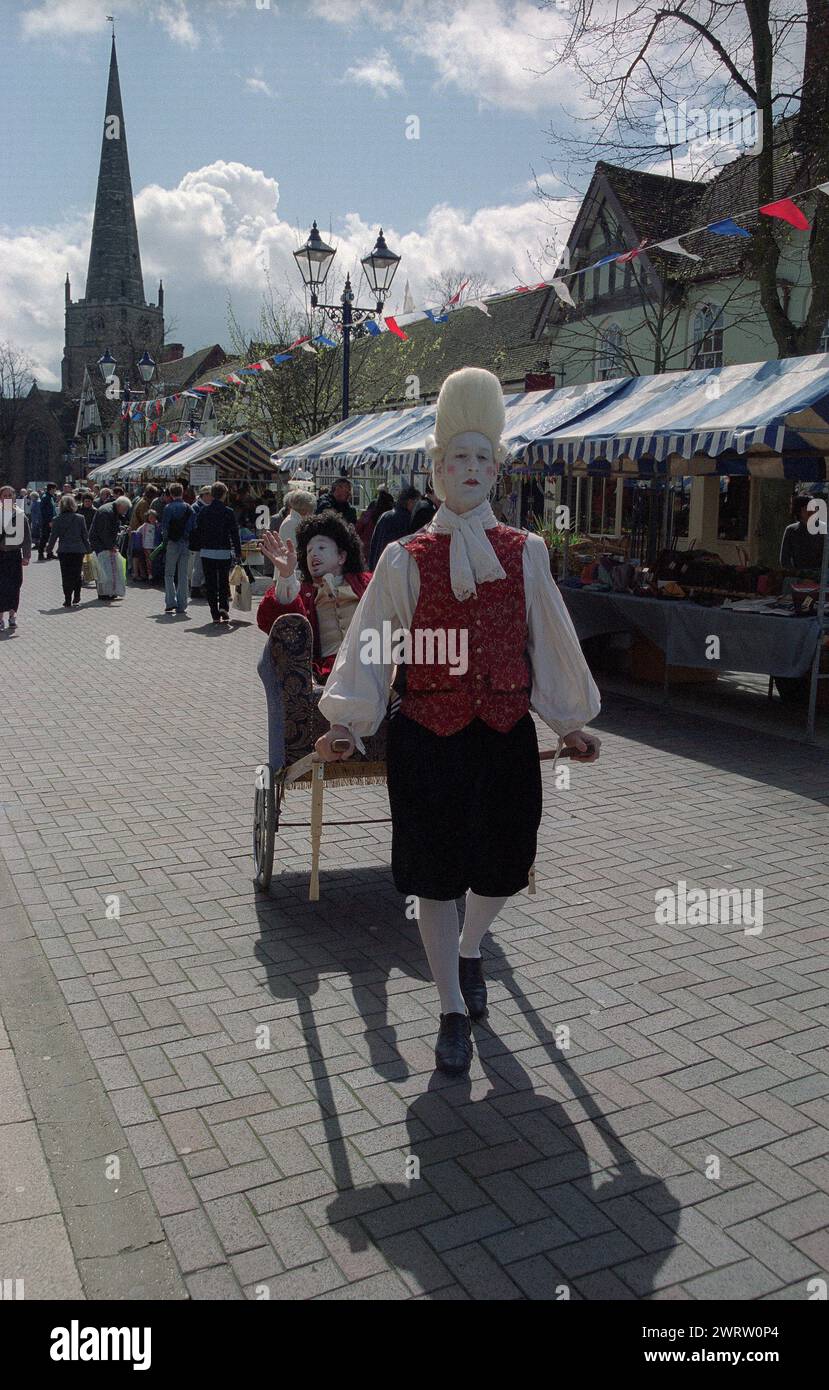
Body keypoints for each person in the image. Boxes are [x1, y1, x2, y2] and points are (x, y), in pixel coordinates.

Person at [315, 367, 602, 1077]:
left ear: (494, 470)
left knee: (504, 866)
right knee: (434, 878)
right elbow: (374, 644)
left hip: (504, 733)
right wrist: (349, 723)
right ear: (436, 470)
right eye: (457, 460)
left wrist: (567, 721)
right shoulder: (403, 557)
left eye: (482, 459)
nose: (470, 471)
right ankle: (449, 1008)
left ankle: (472, 948)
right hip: (429, 738)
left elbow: (548, 639)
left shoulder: (524, 552)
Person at [258, 512, 372, 682]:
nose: (313, 554)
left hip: (371, 664)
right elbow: (273, 622)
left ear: (342, 556)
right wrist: (286, 575)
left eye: (321, 548)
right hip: (329, 673)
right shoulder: (303, 592)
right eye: (309, 550)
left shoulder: (367, 583)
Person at [190, 481, 241, 623]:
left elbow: (197, 531)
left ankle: (214, 613)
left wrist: (197, 546)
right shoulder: (228, 512)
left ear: (212, 494)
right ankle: (224, 606)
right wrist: (237, 551)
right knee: (223, 580)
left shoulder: (203, 511)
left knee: (210, 583)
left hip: (206, 552)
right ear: (224, 495)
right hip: (223, 551)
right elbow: (234, 533)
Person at [45, 493, 90, 607]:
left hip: (64, 551)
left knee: (66, 575)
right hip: (78, 550)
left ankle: (67, 599)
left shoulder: (57, 519)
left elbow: (53, 536)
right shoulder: (80, 518)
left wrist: (49, 549)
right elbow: (84, 536)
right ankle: (77, 595)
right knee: (77, 574)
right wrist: (88, 549)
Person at [87, 494, 131, 601]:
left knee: (108, 570)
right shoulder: (106, 512)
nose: (124, 512)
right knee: (103, 570)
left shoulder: (112, 510)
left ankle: (109, 592)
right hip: (100, 545)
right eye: (124, 509)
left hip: (103, 543)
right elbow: (104, 532)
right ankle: (103, 593)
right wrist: (111, 546)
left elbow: (114, 525)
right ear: (120, 506)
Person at [0, 483, 32, 630]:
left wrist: (26, 556)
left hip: (13, 555)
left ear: (14, 497)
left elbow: (26, 538)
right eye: (4, 495)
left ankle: (12, 615)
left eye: (9, 495)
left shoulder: (19, 514)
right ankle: (0, 618)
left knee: (14, 586)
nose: (7, 497)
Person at [160, 482, 194, 615]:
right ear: (182, 492)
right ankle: (182, 604)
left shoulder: (168, 508)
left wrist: (164, 542)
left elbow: (165, 528)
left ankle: (170, 602)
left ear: (171, 493)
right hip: (185, 543)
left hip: (172, 543)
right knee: (183, 574)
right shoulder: (189, 508)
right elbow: (192, 526)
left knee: (169, 574)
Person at [368, 485, 421, 568]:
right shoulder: (407, 520)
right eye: (417, 502)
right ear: (410, 502)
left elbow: (374, 545)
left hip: (378, 566)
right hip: (394, 568)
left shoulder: (384, 516)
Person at [780, 494, 825, 572]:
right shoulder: (791, 530)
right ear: (799, 511)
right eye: (807, 508)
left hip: (821, 578)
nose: (812, 511)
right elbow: (784, 560)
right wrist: (798, 574)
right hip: (798, 577)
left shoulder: (824, 529)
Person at [132, 508, 159, 581]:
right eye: (150, 517)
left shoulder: (157, 525)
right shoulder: (145, 525)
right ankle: (150, 575)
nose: (152, 519)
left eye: (153, 517)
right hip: (147, 545)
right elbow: (138, 531)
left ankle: (151, 574)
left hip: (155, 545)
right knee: (149, 560)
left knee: (153, 560)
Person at [38, 482, 59, 561]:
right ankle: (40, 554)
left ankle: (49, 553)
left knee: (51, 538)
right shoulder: (45, 497)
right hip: (47, 521)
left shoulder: (51, 497)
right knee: (44, 537)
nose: (55, 490)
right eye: (55, 489)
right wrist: (49, 521)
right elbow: (44, 511)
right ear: (51, 489)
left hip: (52, 520)